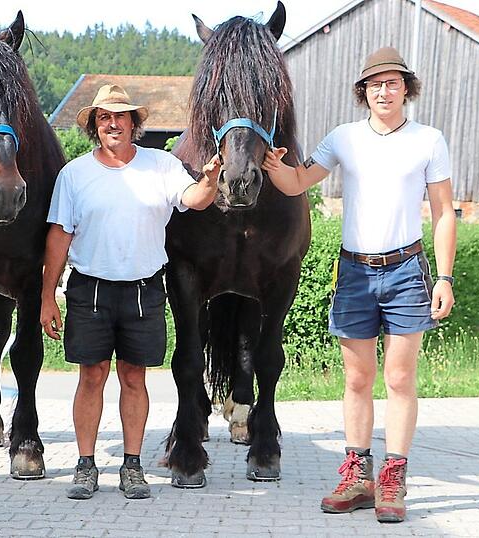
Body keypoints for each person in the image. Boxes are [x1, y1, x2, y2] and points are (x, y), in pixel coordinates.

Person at [263, 47, 457, 523]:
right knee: (356, 378)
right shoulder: (343, 138)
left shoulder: (428, 140)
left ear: (406, 89)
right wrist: (269, 162)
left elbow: (443, 213)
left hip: (407, 271)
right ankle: (357, 477)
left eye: (392, 83)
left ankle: (393, 478)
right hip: (354, 271)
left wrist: (445, 277)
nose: (383, 91)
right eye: (374, 84)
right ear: (363, 92)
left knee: (399, 378)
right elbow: (297, 182)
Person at [40, 84, 220, 500]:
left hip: (144, 289)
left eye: (120, 116)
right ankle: (86, 465)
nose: (113, 123)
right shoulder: (74, 174)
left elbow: (195, 199)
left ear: (134, 123)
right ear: (95, 126)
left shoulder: (161, 165)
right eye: (104, 117)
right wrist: (47, 296)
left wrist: (210, 180)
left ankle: (132, 465)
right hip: (90, 289)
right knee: (91, 376)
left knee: (134, 377)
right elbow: (59, 236)